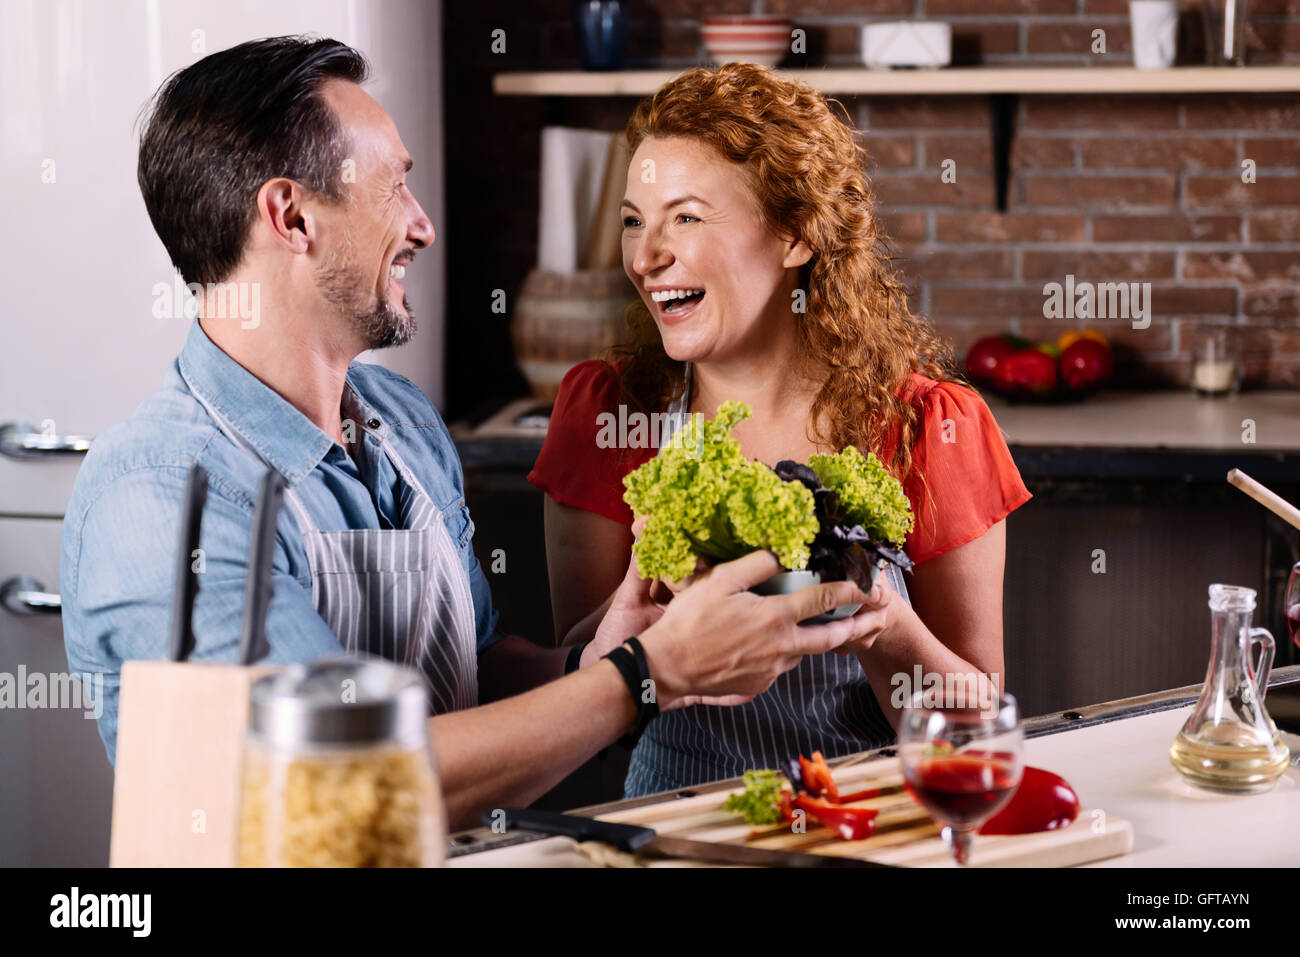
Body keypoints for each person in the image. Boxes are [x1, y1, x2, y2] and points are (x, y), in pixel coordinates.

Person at [59, 38, 884, 830]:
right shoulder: (168, 493)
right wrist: (645, 678)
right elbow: (331, 786)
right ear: (292, 217)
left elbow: (476, 672)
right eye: (394, 189)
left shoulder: (403, 424)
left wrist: (604, 653)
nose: (421, 225)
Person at [529, 63, 1034, 797]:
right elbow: (581, 707)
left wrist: (884, 620)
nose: (644, 257)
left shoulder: (928, 428)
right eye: (635, 220)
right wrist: (646, 621)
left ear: (795, 234)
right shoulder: (608, 415)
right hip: (673, 824)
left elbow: (972, 727)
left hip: (864, 820)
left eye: (687, 216)